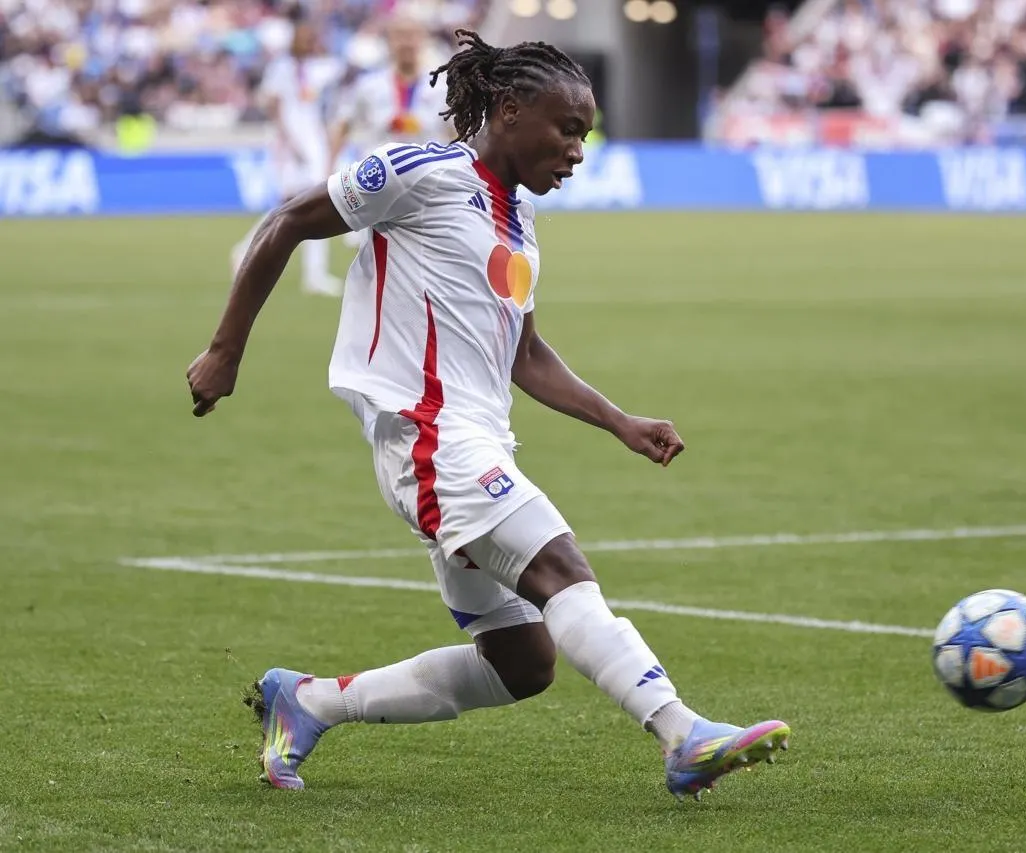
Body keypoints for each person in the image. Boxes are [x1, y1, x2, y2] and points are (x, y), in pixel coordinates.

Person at [186, 29, 790, 801]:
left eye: (587, 135)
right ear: (508, 109)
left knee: (523, 662)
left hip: (473, 441)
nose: (577, 150)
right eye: (568, 128)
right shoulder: (421, 172)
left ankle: (306, 701)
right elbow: (287, 221)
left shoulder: (518, 221)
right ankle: (681, 733)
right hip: (429, 438)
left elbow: (526, 355)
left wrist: (620, 422)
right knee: (562, 568)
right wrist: (226, 350)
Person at [231, 21, 345, 296]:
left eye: (311, 38)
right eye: (304, 39)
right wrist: (290, 143)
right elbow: (274, 106)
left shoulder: (315, 69)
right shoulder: (282, 68)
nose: (308, 43)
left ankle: (313, 273)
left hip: (312, 139)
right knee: (302, 203)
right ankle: (248, 249)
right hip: (293, 144)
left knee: (314, 202)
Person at [328, 14, 449, 250]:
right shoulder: (369, 85)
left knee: (425, 251)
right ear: (389, 42)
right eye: (399, 36)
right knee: (374, 253)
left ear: (423, 40)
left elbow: (457, 131)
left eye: (412, 36)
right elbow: (343, 124)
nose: (406, 42)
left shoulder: (442, 85)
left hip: (425, 180)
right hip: (378, 183)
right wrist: (330, 165)